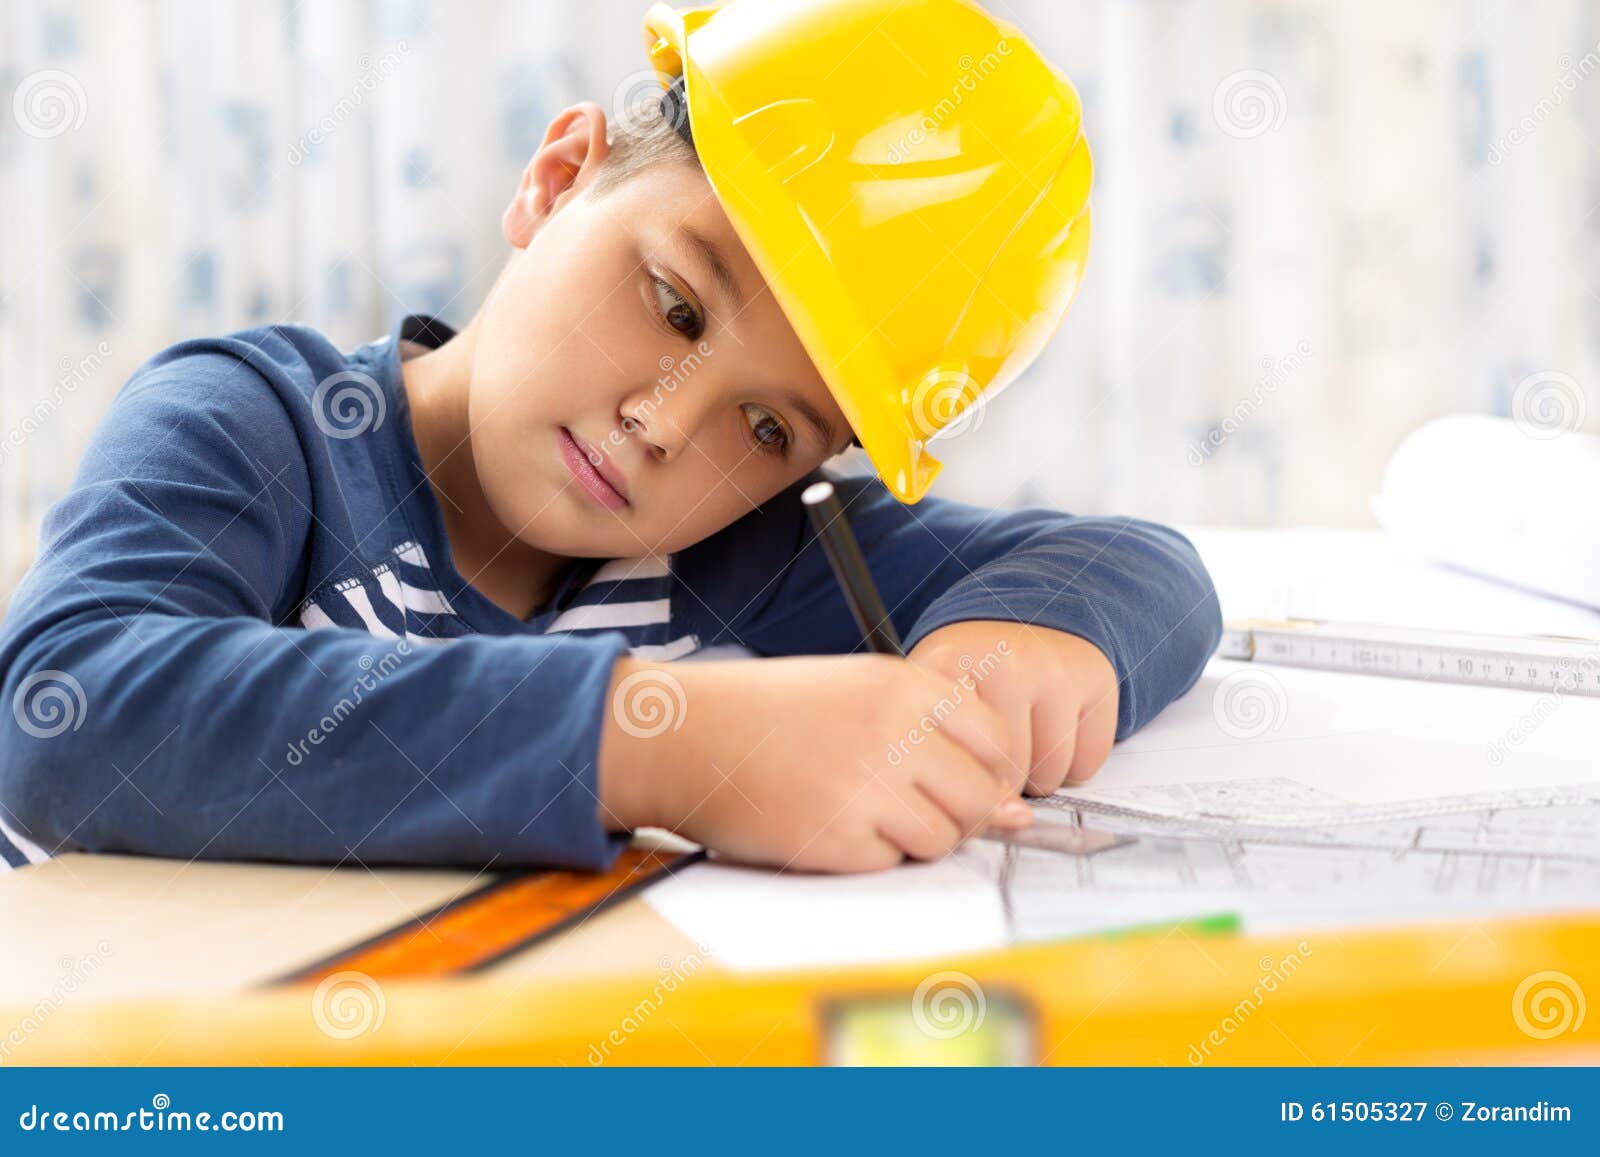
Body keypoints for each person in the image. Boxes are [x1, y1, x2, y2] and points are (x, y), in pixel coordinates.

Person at [0, 0, 1220, 875]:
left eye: (765, 424)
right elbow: (60, 708)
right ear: (558, 176)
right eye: (676, 304)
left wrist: (986, 672)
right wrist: (661, 744)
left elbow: (1145, 569)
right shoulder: (259, 427)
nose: (663, 422)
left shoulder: (748, 554)